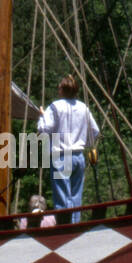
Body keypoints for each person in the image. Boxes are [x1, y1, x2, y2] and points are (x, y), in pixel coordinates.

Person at [37, 74, 99, 223]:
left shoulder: (55, 107)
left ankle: (65, 229)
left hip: (61, 157)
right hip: (78, 157)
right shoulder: (83, 107)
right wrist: (86, 143)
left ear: (62, 90)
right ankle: (75, 225)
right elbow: (95, 131)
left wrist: (42, 116)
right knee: (75, 196)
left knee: (62, 198)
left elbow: (44, 129)